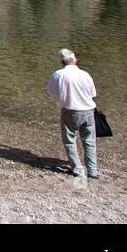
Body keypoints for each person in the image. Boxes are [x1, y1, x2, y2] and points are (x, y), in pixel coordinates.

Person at [47, 48, 99, 179]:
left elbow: (50, 92)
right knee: (89, 141)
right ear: (75, 60)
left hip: (70, 111)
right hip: (88, 111)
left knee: (70, 140)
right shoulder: (85, 74)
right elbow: (93, 94)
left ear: (61, 61)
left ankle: (77, 169)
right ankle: (92, 170)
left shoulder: (58, 74)